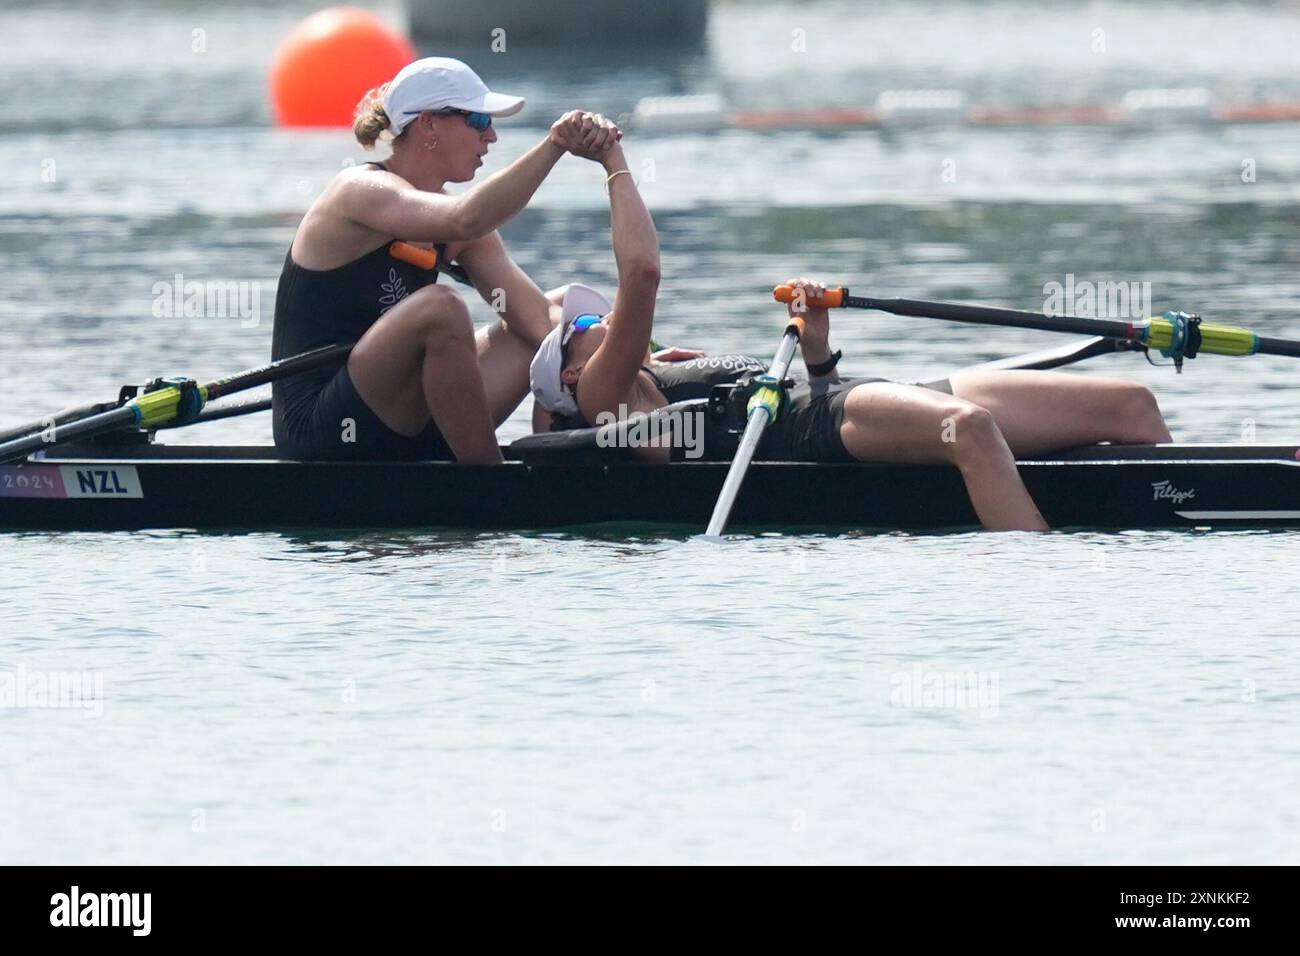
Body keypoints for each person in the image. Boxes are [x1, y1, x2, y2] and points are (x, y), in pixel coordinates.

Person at [527, 141, 1174, 531]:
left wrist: (817, 343)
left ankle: (1178, 524)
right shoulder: (607, 402)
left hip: (846, 400)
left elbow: (816, 386)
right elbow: (640, 275)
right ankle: (1041, 586)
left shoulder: (662, 372)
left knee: (1130, 404)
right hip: (825, 427)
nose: (603, 318)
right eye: (585, 325)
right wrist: (613, 160)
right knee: (972, 430)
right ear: (572, 378)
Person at [271, 56, 621, 464]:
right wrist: (555, 145)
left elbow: (541, 320)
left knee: (564, 315)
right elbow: (466, 217)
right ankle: (490, 489)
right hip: (323, 428)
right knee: (441, 309)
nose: (490, 136)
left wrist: (634, 351)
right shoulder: (359, 191)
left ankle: (610, 432)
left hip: (409, 420)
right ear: (428, 125)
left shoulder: (460, 226)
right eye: (477, 121)